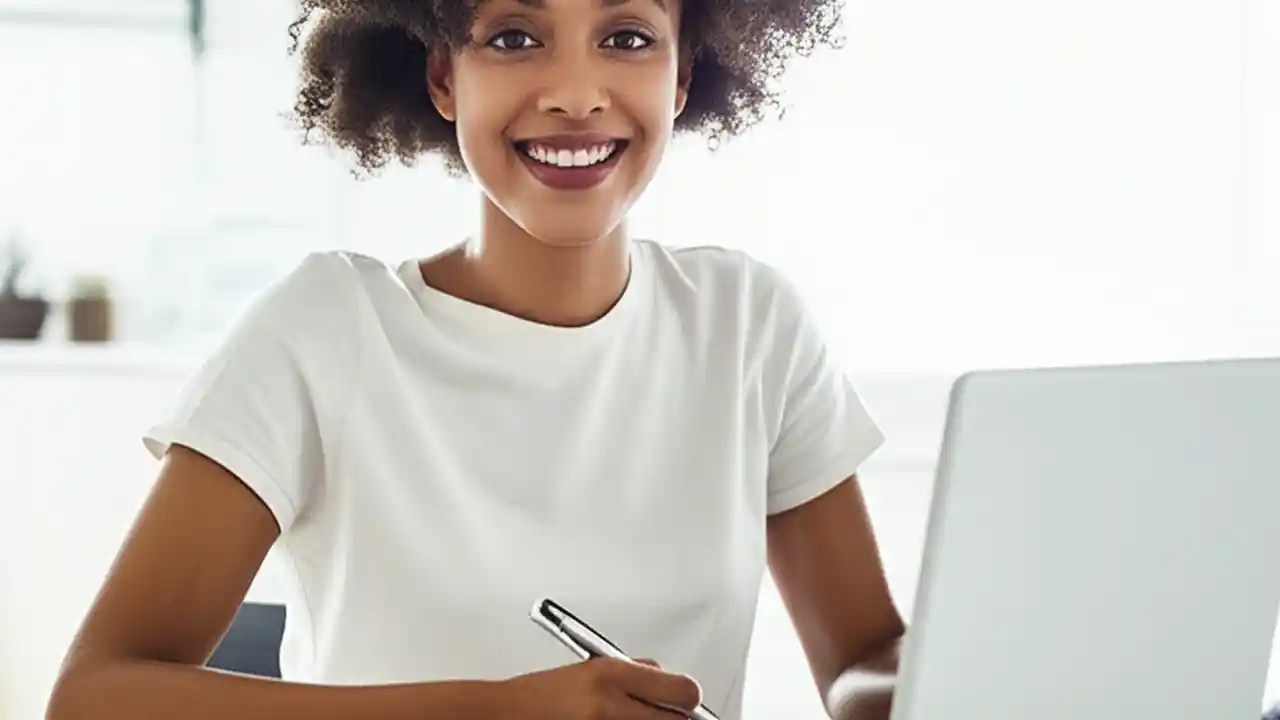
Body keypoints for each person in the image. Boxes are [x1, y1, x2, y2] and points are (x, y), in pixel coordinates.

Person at [45, 0, 906, 718]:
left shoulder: (751, 327)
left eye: (627, 37)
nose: (575, 94)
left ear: (682, 76)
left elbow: (866, 663)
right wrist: (503, 709)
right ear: (443, 76)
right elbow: (94, 697)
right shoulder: (327, 331)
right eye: (514, 38)